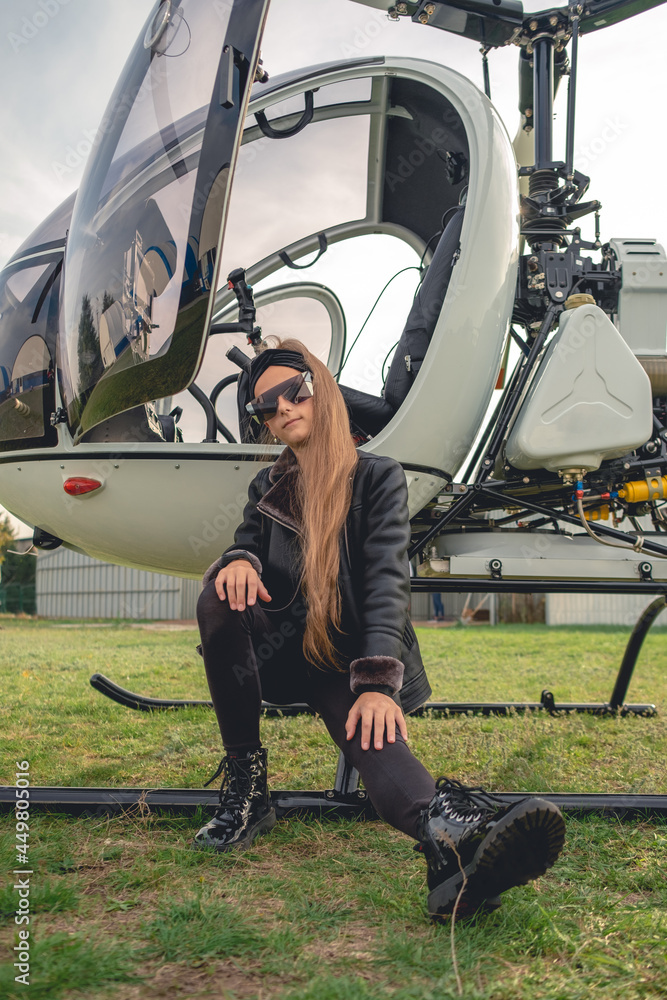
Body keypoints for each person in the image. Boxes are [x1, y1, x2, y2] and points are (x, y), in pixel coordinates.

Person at [195, 337, 565, 920]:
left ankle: (450, 846)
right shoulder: (268, 486)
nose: (282, 408)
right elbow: (248, 543)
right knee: (219, 593)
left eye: (293, 391)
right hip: (284, 651)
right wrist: (239, 561)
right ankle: (247, 788)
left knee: (376, 745)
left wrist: (375, 684)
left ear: (322, 391)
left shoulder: (378, 477)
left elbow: (387, 580)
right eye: (265, 406)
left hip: (347, 659)